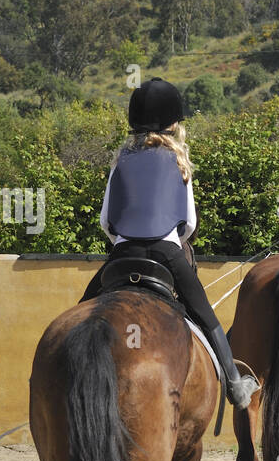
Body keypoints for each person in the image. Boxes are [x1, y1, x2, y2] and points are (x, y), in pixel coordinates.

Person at [80, 77, 260, 408]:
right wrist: (168, 242)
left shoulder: (120, 159)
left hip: (122, 253)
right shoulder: (177, 160)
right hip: (166, 253)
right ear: (173, 123)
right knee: (207, 318)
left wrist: (123, 241)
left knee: (80, 314)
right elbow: (188, 223)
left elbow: (107, 220)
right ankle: (235, 386)